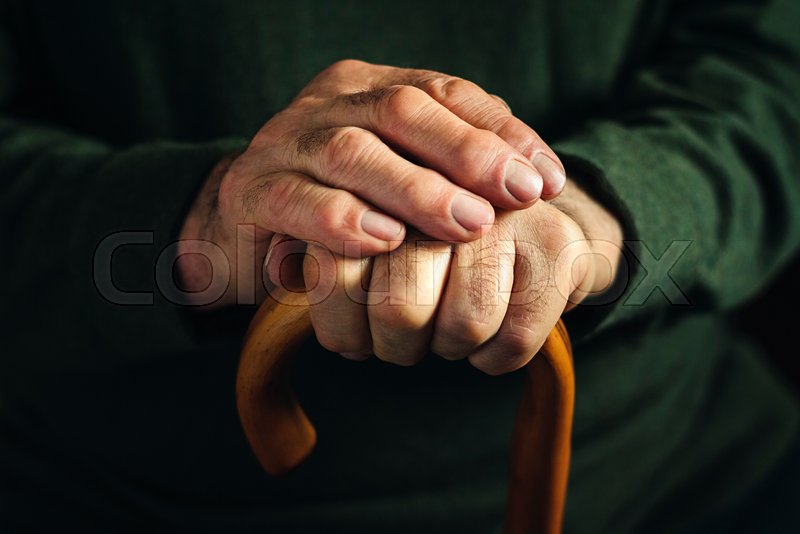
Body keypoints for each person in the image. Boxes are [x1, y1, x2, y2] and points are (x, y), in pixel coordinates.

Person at [1, 0, 798, 532]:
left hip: (683, 479)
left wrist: (601, 217)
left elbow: (774, 73)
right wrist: (199, 221)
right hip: (109, 494)